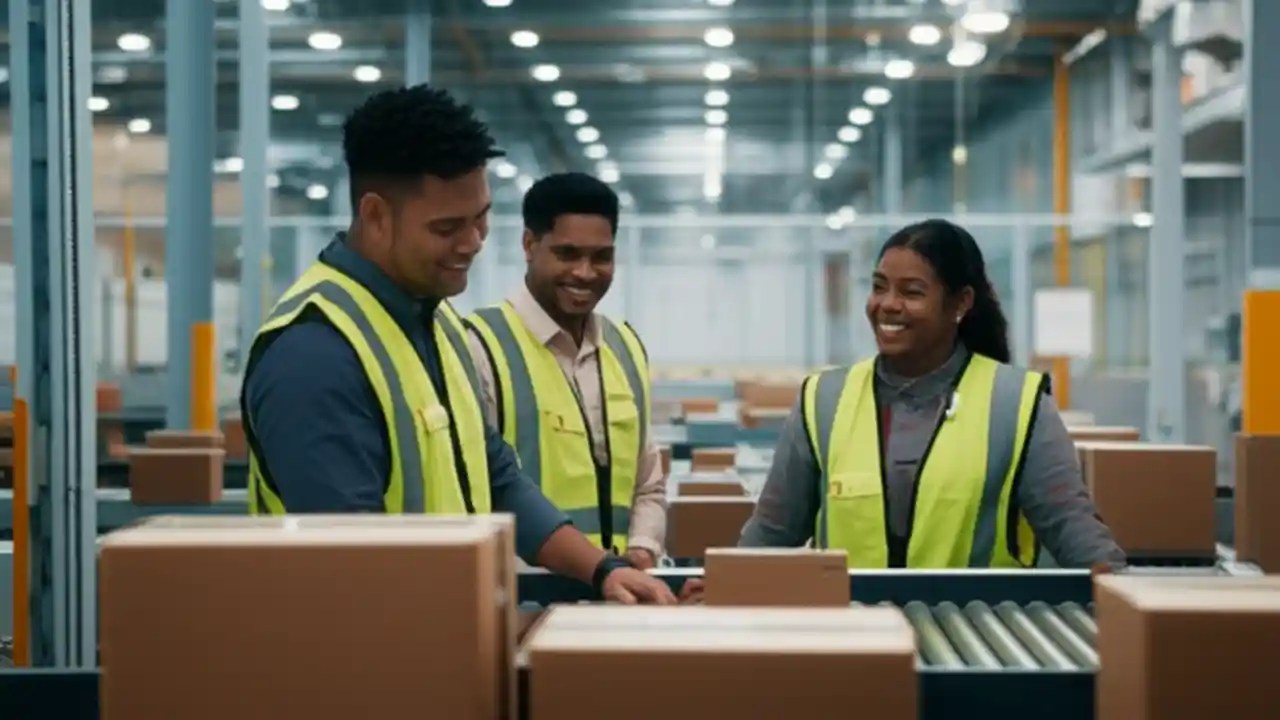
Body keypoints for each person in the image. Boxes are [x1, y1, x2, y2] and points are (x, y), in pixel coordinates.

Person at [240, 84, 675, 605]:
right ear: (376, 216)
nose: (473, 242)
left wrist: (602, 569)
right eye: (448, 227)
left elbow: (493, 474)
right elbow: (352, 569)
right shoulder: (315, 355)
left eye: (481, 217)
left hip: (443, 641)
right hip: (368, 664)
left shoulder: (437, 321)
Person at [737, 219, 1126, 569]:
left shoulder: (1015, 404)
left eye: (912, 292)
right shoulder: (824, 399)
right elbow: (773, 531)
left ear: (960, 303)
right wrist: (725, 583)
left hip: (982, 633)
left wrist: (1128, 599)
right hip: (854, 632)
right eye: (878, 287)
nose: (887, 305)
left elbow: (1071, 525)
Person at [465, 173, 667, 570]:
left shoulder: (624, 347)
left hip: (617, 591)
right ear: (529, 245)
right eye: (568, 254)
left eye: (601, 256)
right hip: (521, 598)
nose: (585, 273)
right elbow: (481, 488)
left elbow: (648, 482)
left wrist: (641, 550)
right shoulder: (480, 347)